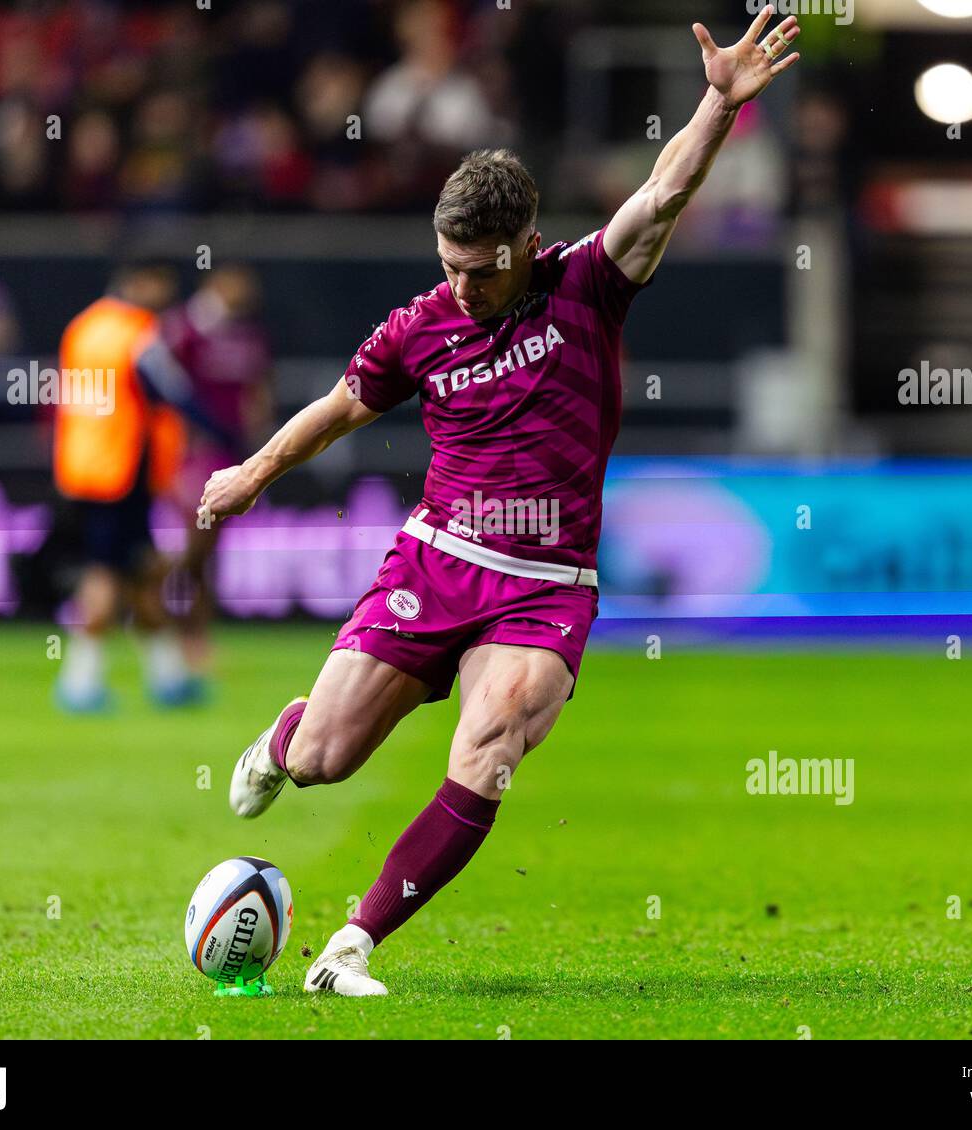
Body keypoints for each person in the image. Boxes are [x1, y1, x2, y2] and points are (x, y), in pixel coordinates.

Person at [199, 11, 800, 995]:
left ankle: (353, 941)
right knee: (324, 758)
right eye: (449, 267)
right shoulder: (418, 328)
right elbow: (340, 409)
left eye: (482, 269)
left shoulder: (587, 286)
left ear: (526, 242)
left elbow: (664, 191)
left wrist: (717, 102)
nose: (465, 287)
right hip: (438, 557)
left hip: (545, 584)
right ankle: (281, 738)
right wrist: (254, 471)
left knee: (491, 742)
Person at [53, 261, 235, 712]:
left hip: (86, 469)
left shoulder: (84, 326)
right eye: (161, 287)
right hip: (122, 472)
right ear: (138, 282)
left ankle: (168, 676)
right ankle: (79, 682)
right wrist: (228, 437)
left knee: (143, 572)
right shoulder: (136, 331)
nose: (166, 299)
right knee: (107, 573)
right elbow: (172, 392)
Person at [155, 265, 274, 672]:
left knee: (208, 551)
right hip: (195, 455)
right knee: (196, 545)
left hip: (232, 455)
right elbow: (164, 385)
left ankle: (191, 632)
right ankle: (157, 605)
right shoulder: (187, 330)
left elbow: (257, 390)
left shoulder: (247, 335)